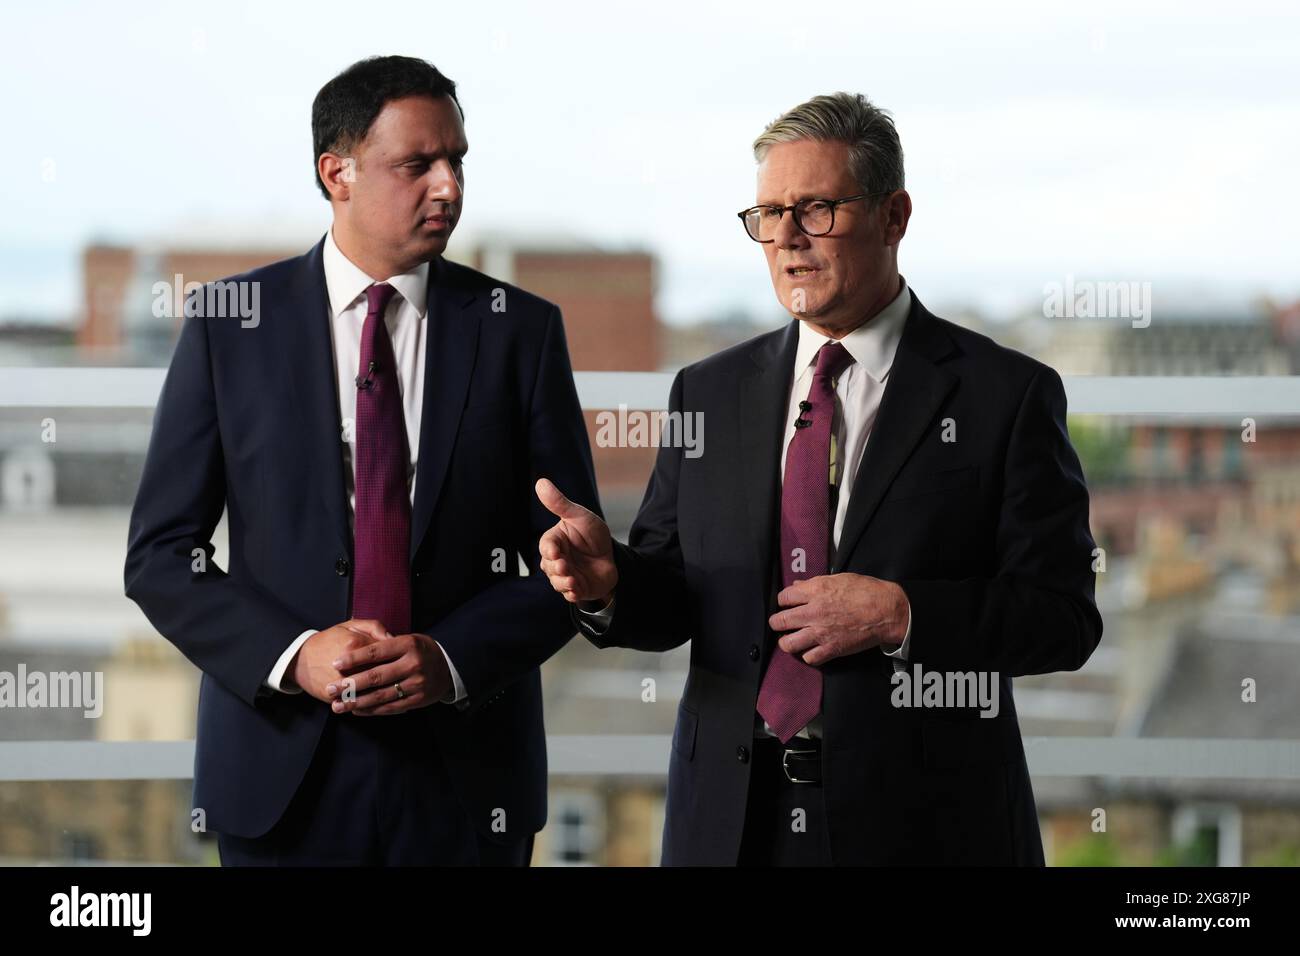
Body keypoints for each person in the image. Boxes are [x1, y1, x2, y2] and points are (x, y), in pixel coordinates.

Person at [536, 92, 1102, 866]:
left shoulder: (1005, 395)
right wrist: (609, 585)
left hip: (929, 828)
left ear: (894, 216)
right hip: (731, 823)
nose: (788, 238)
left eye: (817, 209)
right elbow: (673, 600)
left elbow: (1063, 618)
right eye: (769, 214)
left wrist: (903, 616)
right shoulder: (706, 393)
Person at [125, 55, 600, 865]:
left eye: (457, 161)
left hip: (466, 779)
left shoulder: (519, 332)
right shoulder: (229, 326)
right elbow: (161, 557)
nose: (448, 186)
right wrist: (294, 654)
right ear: (336, 172)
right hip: (279, 775)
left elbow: (570, 565)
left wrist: (449, 660)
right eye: (417, 165)